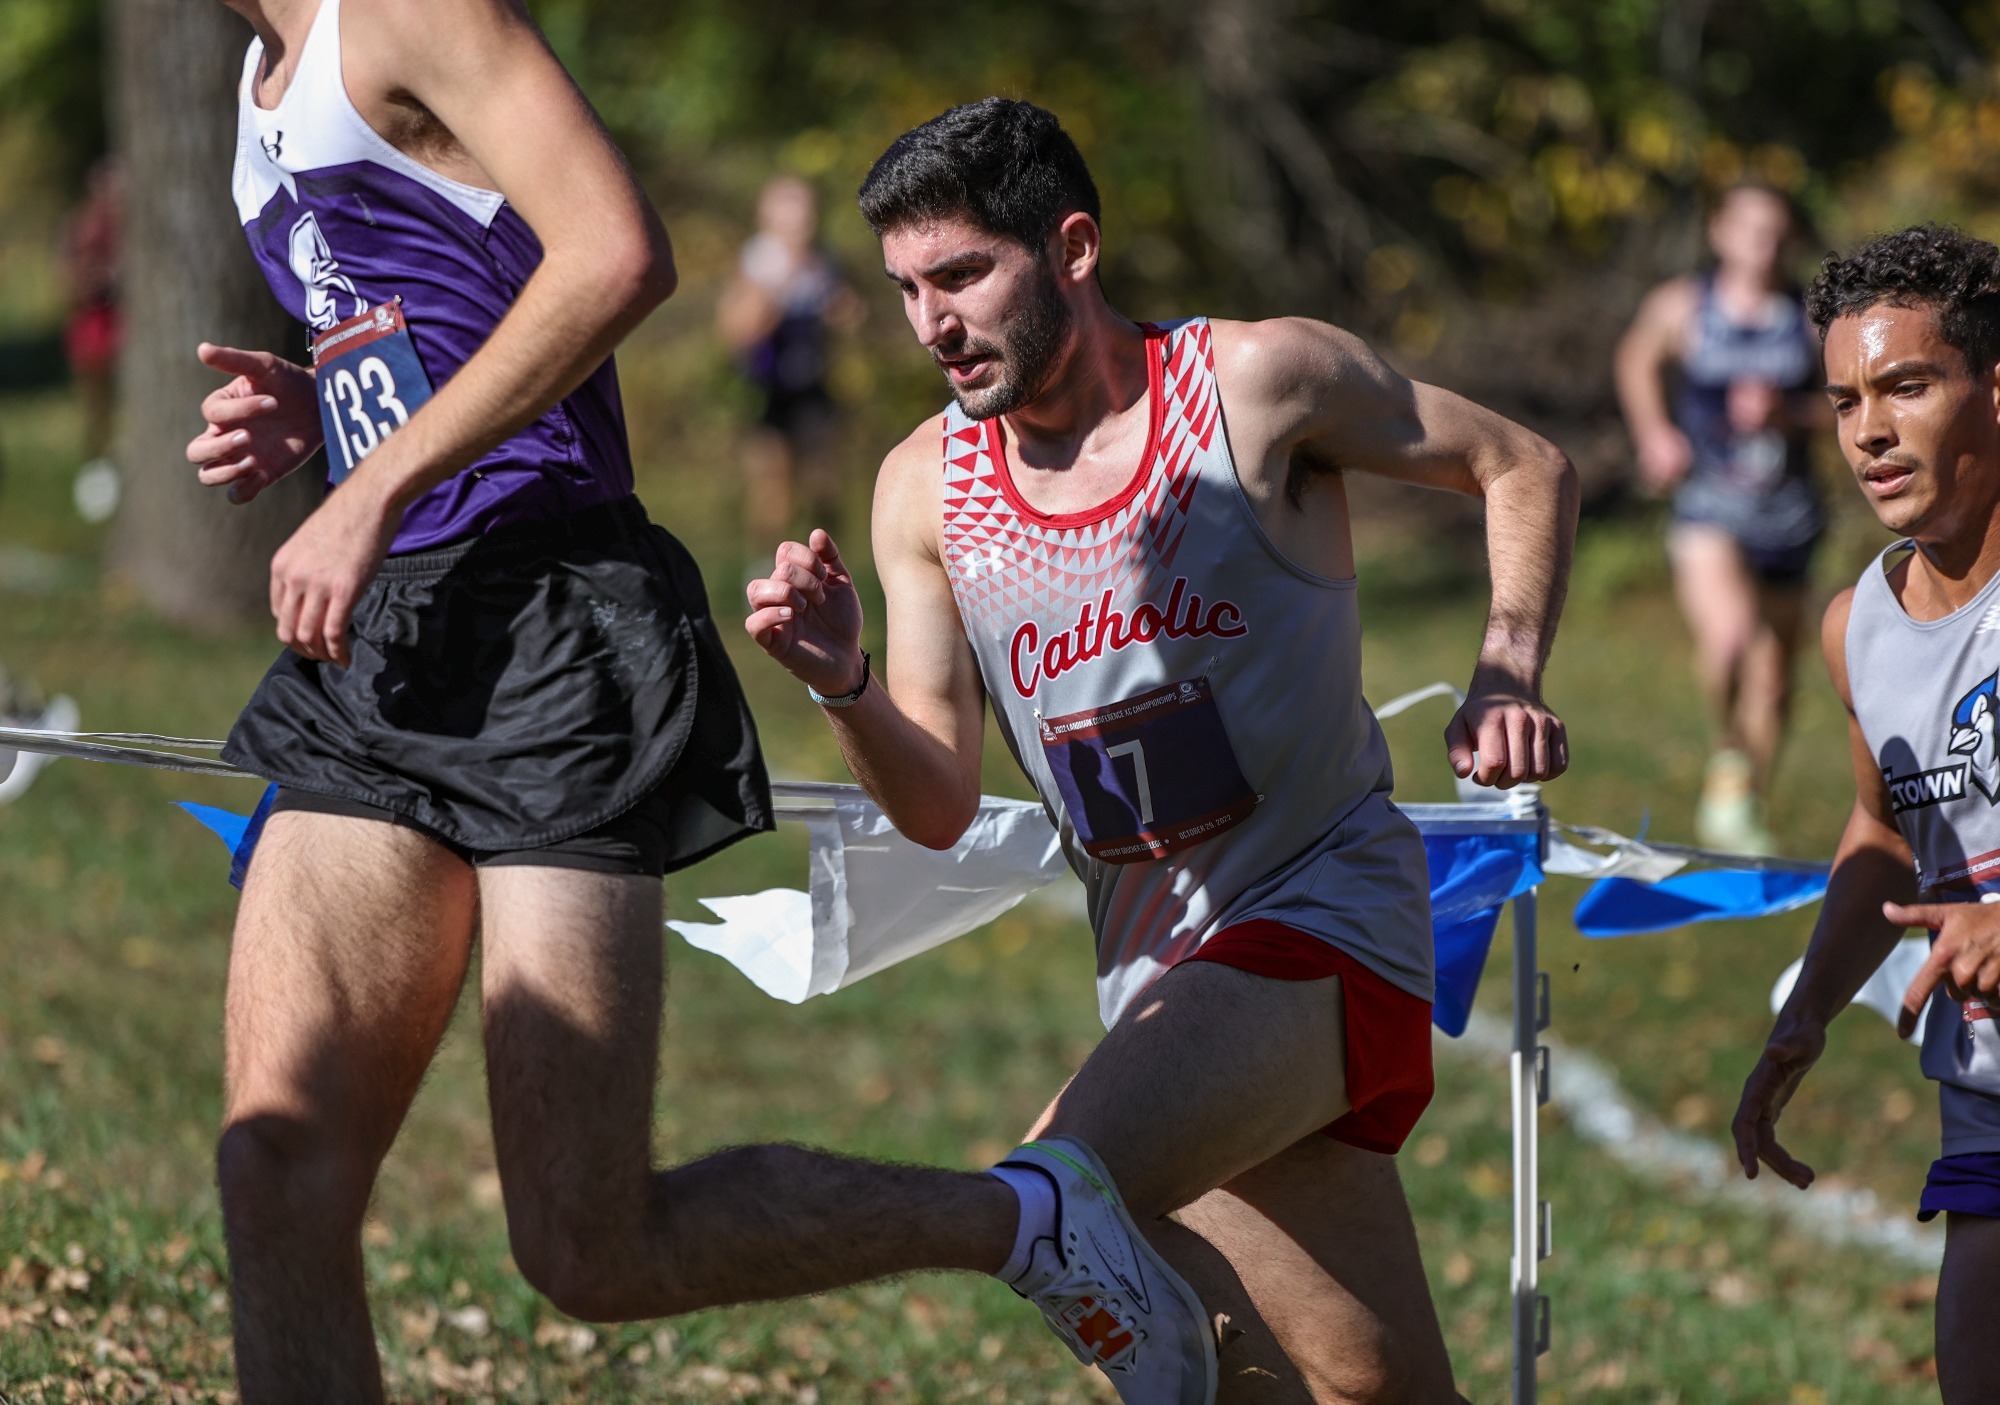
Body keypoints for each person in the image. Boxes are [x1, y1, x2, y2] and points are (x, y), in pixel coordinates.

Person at [747, 98, 1578, 1402]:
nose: (931, 323)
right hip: (1159, 979)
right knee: (1370, 1387)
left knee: (1053, 1190)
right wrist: (845, 683)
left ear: (1073, 248)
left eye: (962, 273)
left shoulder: (1255, 384)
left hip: (1323, 919)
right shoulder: (925, 487)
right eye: (906, 288)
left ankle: (1179, 1370)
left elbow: (1520, 462)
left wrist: (1506, 666)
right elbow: (935, 800)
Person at [184, 0, 781, 1396]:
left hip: (555, 621)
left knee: (588, 1245)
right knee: (274, 1158)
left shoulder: (409, 10)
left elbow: (618, 253)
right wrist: (318, 405)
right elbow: (433, 318)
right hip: (389, 638)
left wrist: (373, 486)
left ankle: (1027, 1219)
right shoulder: (258, 75)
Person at [1732, 225, 2000, 1405]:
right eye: (1842, 399)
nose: (1867, 432)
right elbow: (1880, 833)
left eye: (1906, 385)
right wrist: (1807, 1011)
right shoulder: (1858, 626)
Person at [1616, 183, 1826, 855]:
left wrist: (1789, 414)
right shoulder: (1685, 306)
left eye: (1776, 231)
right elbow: (1636, 357)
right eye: (1750, 229)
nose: (1763, 244)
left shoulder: (1813, 316)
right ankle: (1729, 752)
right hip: (1709, 503)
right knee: (1731, 638)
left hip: (1789, 511)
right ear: (1721, 232)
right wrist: (1655, 434)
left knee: (1776, 676)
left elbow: (1849, 401)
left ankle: (1743, 799)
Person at [716, 174, 861, 561]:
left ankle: (826, 565)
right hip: (768, 385)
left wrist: (843, 312)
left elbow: (845, 314)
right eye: (790, 206)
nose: (802, 217)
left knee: (825, 479)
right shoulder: (758, 261)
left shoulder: (823, 260)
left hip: (813, 379)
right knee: (773, 480)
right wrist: (781, 284)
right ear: (766, 214)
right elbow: (739, 330)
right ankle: (765, 565)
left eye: (806, 206)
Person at [63, 157, 123, 522]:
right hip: (94, 330)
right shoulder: (85, 227)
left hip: (117, 328)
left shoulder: (124, 227)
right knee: (97, 407)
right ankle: (98, 468)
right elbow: (72, 282)